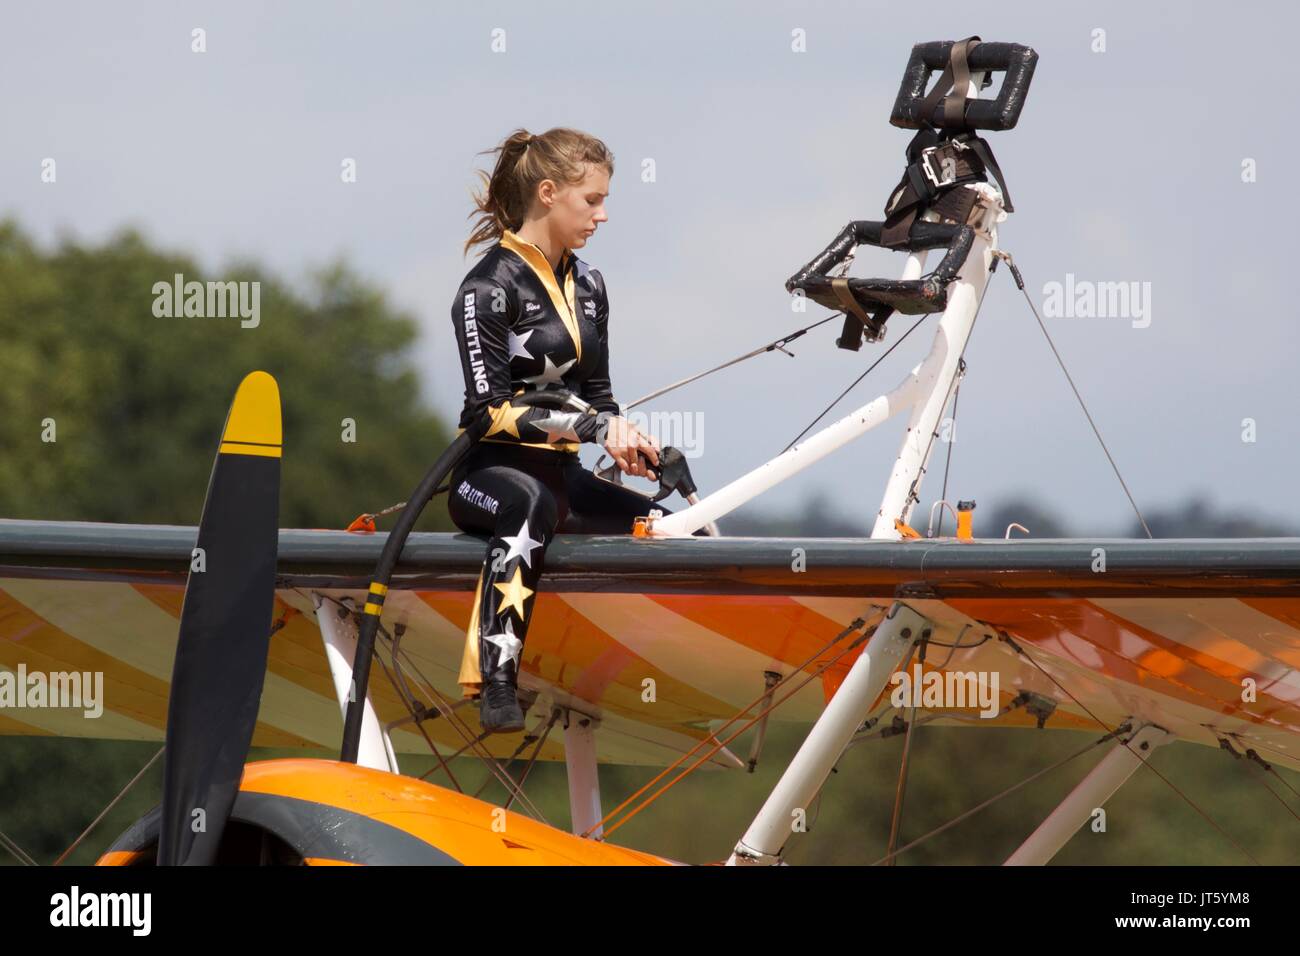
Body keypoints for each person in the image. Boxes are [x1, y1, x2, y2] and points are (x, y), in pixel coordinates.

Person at [449, 127, 669, 734]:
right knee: (528, 503)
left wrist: (625, 440)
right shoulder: (486, 289)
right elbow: (486, 413)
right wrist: (595, 425)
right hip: (489, 482)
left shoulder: (591, 285)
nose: (603, 214)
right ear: (548, 193)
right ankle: (498, 679)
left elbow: (599, 395)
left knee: (665, 525)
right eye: (591, 200)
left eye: (604, 200)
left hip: (566, 479)